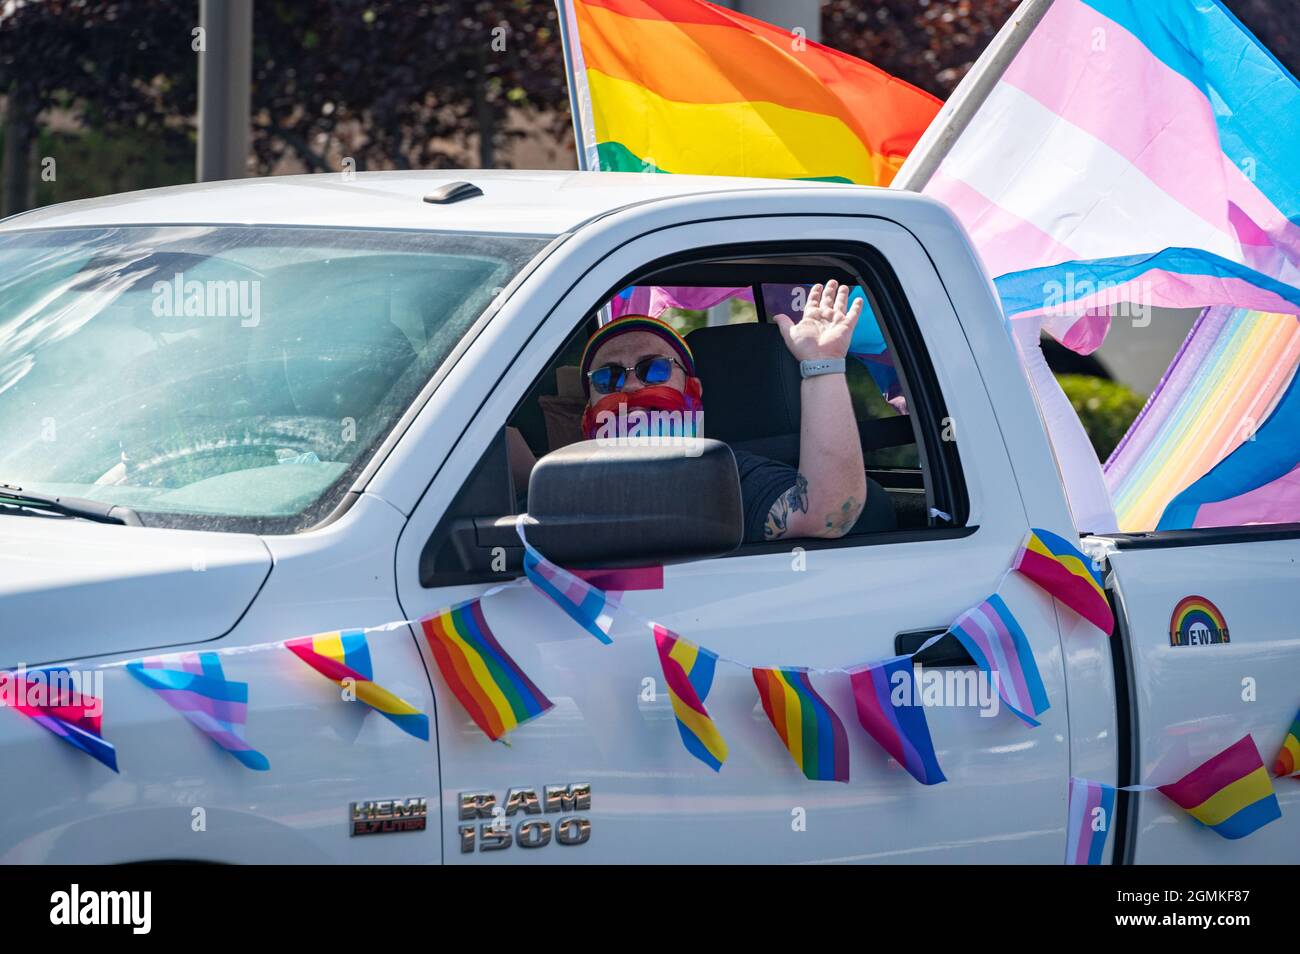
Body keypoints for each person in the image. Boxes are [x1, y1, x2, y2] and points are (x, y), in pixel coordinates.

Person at [509, 279, 871, 543]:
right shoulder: (558, 482)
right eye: (608, 376)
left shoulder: (725, 473)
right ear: (588, 406)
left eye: (654, 369)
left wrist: (822, 364)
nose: (631, 385)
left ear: (692, 389)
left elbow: (823, 514)